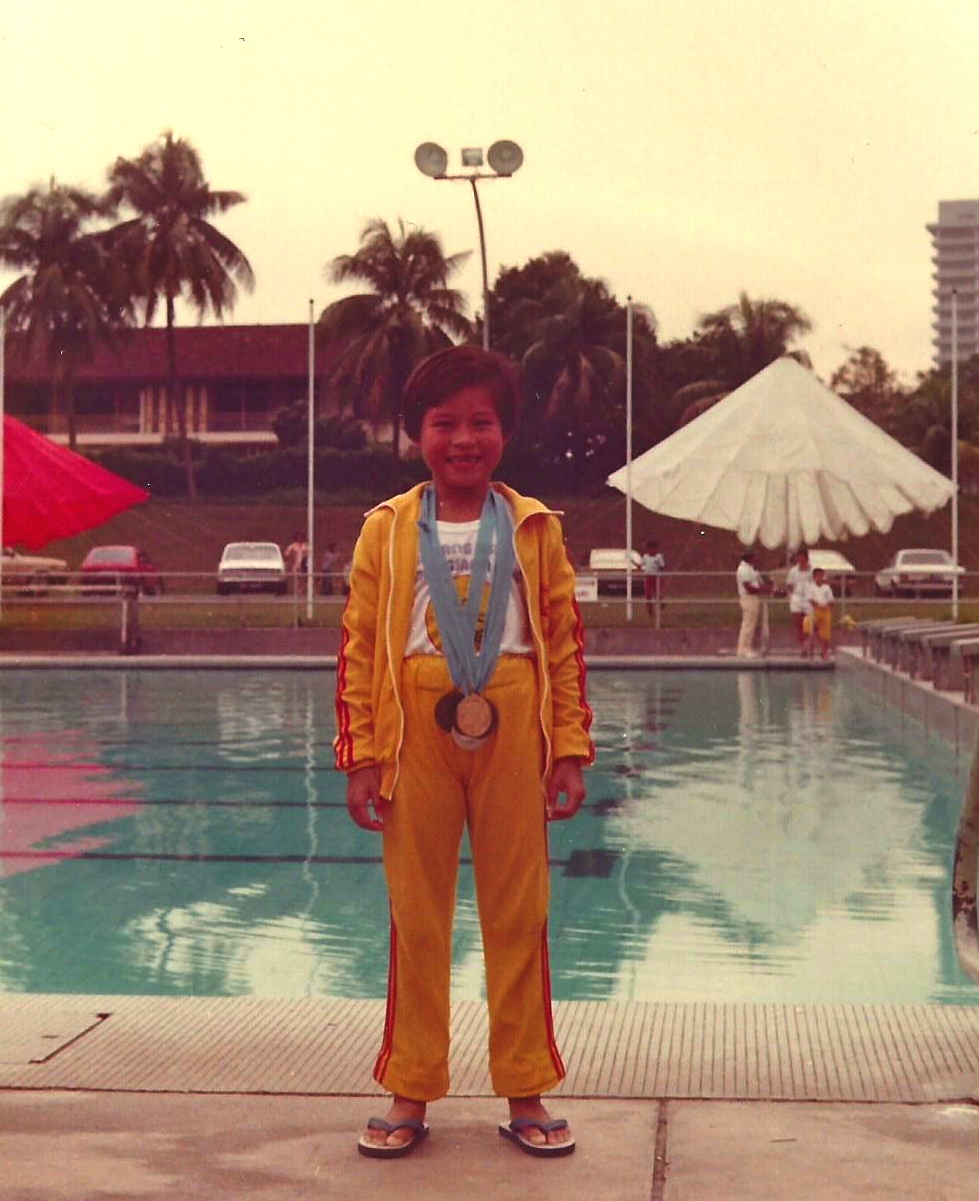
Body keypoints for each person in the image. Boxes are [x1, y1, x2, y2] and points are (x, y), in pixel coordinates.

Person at [335, 345, 593, 1161]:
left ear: (504, 432)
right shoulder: (385, 529)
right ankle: (410, 1085)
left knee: (519, 911)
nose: (463, 439)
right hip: (414, 721)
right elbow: (357, 646)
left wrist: (569, 749)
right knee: (418, 913)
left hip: (510, 714)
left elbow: (562, 636)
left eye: (481, 422)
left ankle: (525, 1085)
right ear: (417, 434)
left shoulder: (532, 525)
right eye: (444, 423)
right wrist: (361, 754)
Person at [735, 548, 770, 657]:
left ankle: (746, 648)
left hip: (754, 598)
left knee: (751, 623)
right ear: (749, 557)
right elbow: (749, 587)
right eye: (754, 556)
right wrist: (763, 590)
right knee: (748, 624)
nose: (756, 558)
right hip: (748, 598)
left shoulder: (751, 569)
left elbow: (757, 583)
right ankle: (743, 650)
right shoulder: (743, 569)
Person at [785, 547, 813, 654]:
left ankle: (808, 643)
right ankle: (802, 647)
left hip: (809, 599)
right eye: (798, 557)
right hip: (797, 599)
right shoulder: (793, 571)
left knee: (808, 624)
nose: (800, 559)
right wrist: (795, 592)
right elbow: (789, 584)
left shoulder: (812, 571)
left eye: (802, 557)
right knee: (799, 625)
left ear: (806, 558)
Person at [803, 566, 834, 659]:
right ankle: (808, 649)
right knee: (808, 626)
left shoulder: (827, 587)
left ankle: (824, 652)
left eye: (821, 576)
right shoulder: (810, 587)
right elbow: (811, 600)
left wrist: (827, 606)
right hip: (814, 611)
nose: (820, 578)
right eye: (818, 576)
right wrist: (819, 606)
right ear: (814, 577)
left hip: (825, 611)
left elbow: (831, 600)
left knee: (826, 634)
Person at [641, 540, 666, 617]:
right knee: (648, 595)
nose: (651, 551)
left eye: (653, 549)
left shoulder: (659, 557)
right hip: (648, 577)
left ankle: (661, 604)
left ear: (656, 549)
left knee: (657, 593)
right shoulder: (645, 557)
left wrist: (658, 567)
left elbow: (662, 566)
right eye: (649, 549)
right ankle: (650, 610)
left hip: (655, 577)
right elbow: (642, 565)